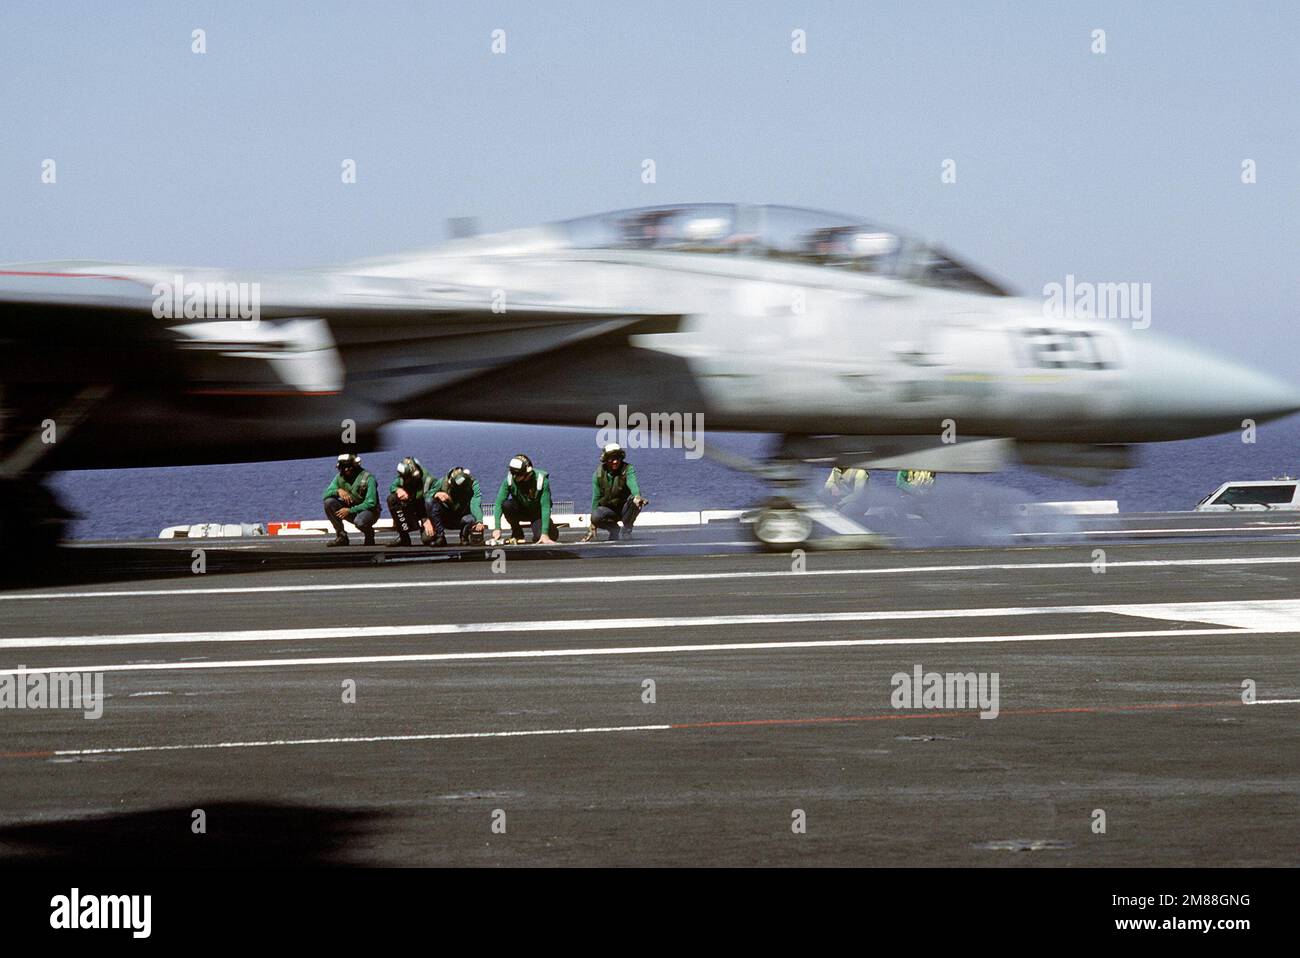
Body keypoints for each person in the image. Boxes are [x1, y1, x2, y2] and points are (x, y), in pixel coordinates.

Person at [581, 443, 648, 542]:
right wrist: (593, 524)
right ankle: (614, 530)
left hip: (625, 508)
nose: (615, 461)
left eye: (617, 458)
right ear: (605, 459)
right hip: (609, 511)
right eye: (611, 459)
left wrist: (637, 496)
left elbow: (632, 483)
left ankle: (626, 531)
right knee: (596, 516)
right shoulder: (598, 475)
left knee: (635, 502)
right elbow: (596, 497)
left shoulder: (627, 469)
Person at [489, 454, 557, 544]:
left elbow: (545, 507)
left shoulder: (541, 480)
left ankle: (551, 531)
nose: (514, 477)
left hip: (537, 514)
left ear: (528, 473)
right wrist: (497, 528)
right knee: (506, 505)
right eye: (513, 473)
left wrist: (544, 533)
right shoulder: (509, 480)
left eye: (518, 474)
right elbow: (498, 502)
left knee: (540, 538)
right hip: (521, 510)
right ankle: (517, 532)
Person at [323, 453, 379, 547]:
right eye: (343, 467)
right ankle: (341, 536)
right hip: (350, 510)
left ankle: (369, 533)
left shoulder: (368, 478)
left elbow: (371, 503)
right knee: (329, 502)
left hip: (368, 512)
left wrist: (349, 510)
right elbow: (325, 494)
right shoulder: (339, 478)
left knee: (360, 522)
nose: (346, 469)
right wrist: (338, 491)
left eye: (349, 466)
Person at [427, 465, 485, 546]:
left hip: (461, 517)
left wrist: (479, 521)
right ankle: (440, 536)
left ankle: (464, 537)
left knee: (471, 519)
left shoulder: (473, 484)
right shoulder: (442, 482)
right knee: (430, 502)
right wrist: (436, 494)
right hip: (446, 516)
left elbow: (475, 503)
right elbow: (428, 495)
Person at [386, 456, 435, 547]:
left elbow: (431, 503)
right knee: (392, 499)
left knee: (427, 539)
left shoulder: (429, 481)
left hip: (425, 512)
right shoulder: (404, 477)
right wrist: (398, 490)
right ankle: (404, 537)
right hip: (411, 508)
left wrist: (428, 519)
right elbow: (393, 486)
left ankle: (428, 530)